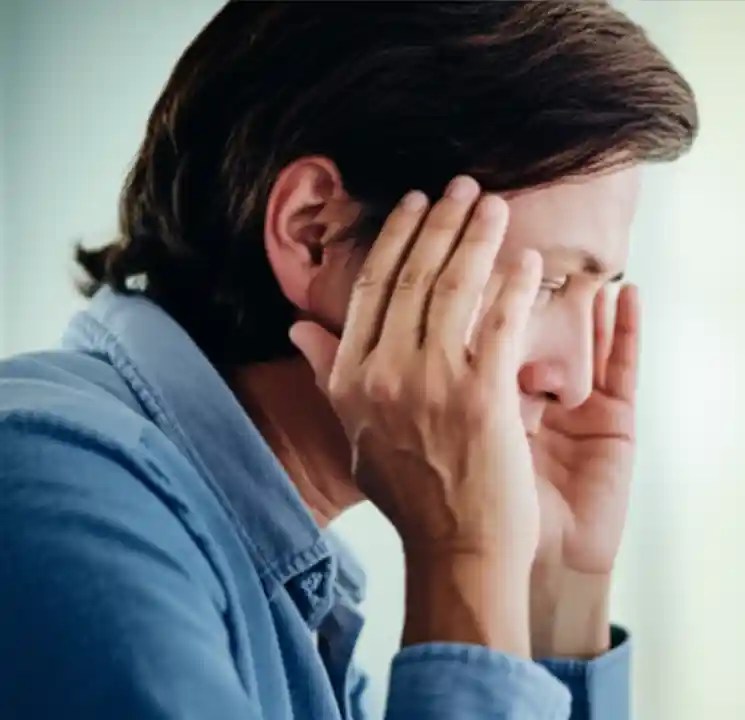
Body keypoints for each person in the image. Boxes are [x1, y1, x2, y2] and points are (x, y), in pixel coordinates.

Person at [0, 2, 697, 718]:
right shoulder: (57, 498)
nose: (574, 380)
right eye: (544, 284)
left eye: (595, 290)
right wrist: (464, 562)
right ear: (314, 233)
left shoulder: (284, 587)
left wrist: (554, 585)